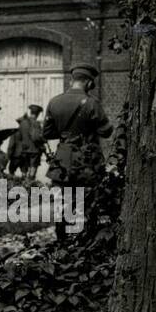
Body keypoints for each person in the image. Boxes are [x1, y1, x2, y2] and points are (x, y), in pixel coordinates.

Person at [42, 64, 113, 241]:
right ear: (89, 83)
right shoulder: (91, 103)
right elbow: (106, 131)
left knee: (62, 203)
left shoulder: (54, 102)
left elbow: (47, 133)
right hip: (87, 160)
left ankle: (62, 242)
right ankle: (86, 244)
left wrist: (66, 133)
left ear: (71, 80)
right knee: (88, 202)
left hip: (62, 160)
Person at [7, 104, 45, 179]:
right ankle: (31, 183)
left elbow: (19, 137)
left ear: (31, 112)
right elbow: (37, 137)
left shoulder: (22, 123)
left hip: (24, 150)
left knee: (25, 169)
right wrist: (43, 140)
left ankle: (25, 184)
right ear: (37, 114)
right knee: (33, 168)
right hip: (34, 150)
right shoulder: (36, 124)